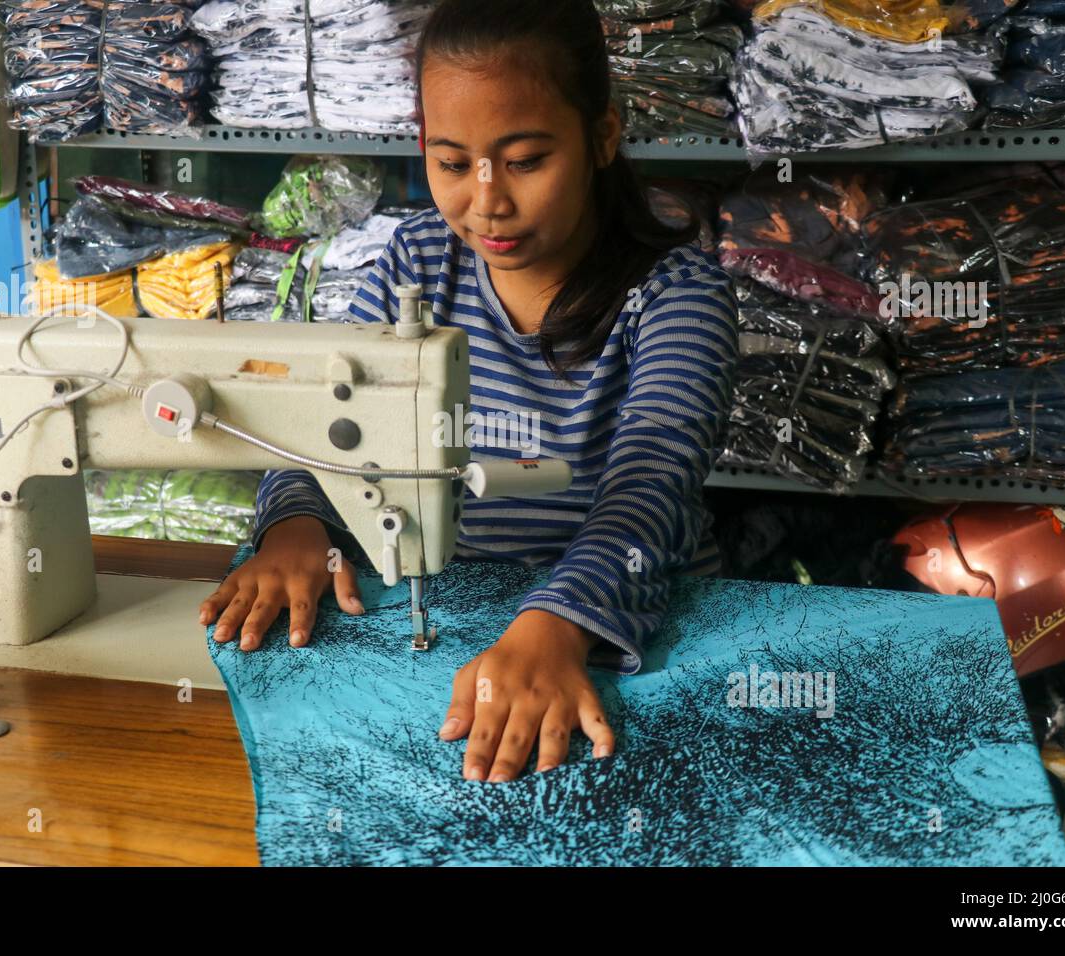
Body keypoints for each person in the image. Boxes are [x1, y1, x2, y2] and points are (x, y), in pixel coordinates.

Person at [198, 0, 739, 784]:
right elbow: (332, 424)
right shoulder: (415, 260)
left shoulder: (676, 294)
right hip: (457, 610)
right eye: (453, 163)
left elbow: (652, 484)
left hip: (626, 619)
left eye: (524, 160)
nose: (486, 200)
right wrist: (295, 525)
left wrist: (555, 627)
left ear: (603, 137)